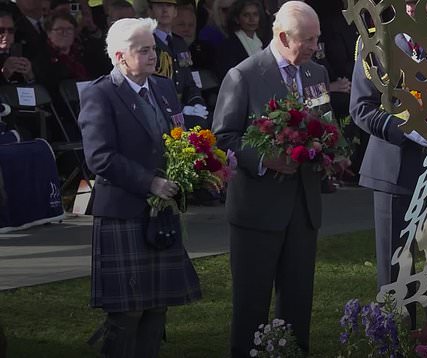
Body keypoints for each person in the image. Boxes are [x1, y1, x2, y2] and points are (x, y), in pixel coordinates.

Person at [78, 17, 202, 357]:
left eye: (154, 48)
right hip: (123, 214)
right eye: (144, 50)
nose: (153, 55)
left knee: (158, 307)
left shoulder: (163, 87)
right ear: (120, 57)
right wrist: (150, 182)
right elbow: (99, 158)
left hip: (161, 213)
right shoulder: (99, 94)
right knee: (126, 313)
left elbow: (176, 139)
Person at [211, 1, 329, 356]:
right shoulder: (244, 75)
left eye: (316, 39)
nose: (313, 46)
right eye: (306, 39)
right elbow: (224, 136)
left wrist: (328, 150)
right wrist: (265, 159)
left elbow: (325, 123)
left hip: (303, 207)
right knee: (251, 306)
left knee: (297, 303)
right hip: (257, 211)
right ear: (281, 36)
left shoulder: (316, 74)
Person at [349, 0, 427, 327]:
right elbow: (361, 107)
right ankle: (397, 341)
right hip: (394, 169)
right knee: (397, 268)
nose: (414, 8)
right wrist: (407, 131)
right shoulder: (375, 43)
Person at [148, 0, 209, 129]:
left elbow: (189, 81)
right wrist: (181, 109)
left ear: (175, 12)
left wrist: (196, 102)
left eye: (169, 6)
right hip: (162, 110)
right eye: (159, 6)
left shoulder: (179, 43)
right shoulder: (148, 44)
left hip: (185, 107)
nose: (165, 10)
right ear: (150, 11)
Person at [213, 0, 263, 80]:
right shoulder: (227, 46)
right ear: (237, 19)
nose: (252, 19)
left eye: (255, 14)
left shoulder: (263, 42)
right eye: (246, 15)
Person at [0, 11, 35, 84]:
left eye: (10, 30)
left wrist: (30, 76)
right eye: (1, 30)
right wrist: (4, 75)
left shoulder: (25, 53)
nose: (6, 35)